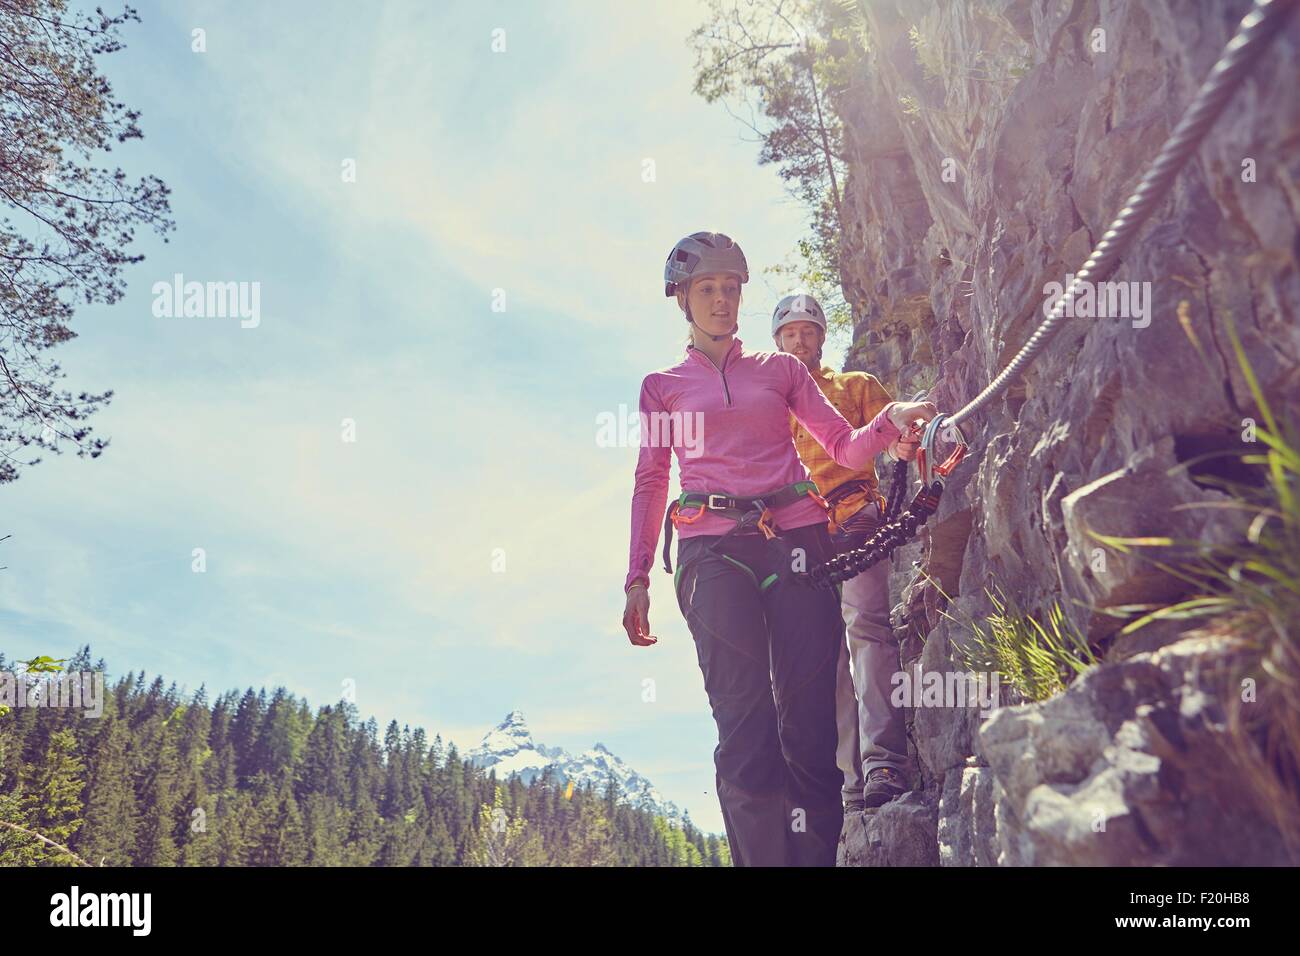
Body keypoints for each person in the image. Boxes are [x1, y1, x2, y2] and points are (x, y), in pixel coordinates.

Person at [620, 231, 935, 866]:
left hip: (796, 539)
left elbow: (844, 446)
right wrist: (636, 578)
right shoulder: (663, 385)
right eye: (706, 289)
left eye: (730, 289)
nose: (720, 300)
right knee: (745, 723)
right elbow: (652, 479)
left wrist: (889, 422)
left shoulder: (782, 371)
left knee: (811, 718)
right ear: (682, 299)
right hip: (712, 553)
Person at [772, 291, 917, 812]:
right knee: (827, 656)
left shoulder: (855, 387)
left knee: (866, 628)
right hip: (797, 533)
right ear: (778, 343)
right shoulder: (772, 406)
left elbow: (900, 433)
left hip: (855, 515)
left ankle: (883, 764)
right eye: (790, 334)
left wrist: (906, 440)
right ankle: (850, 783)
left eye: (808, 331)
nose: (799, 340)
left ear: (820, 338)